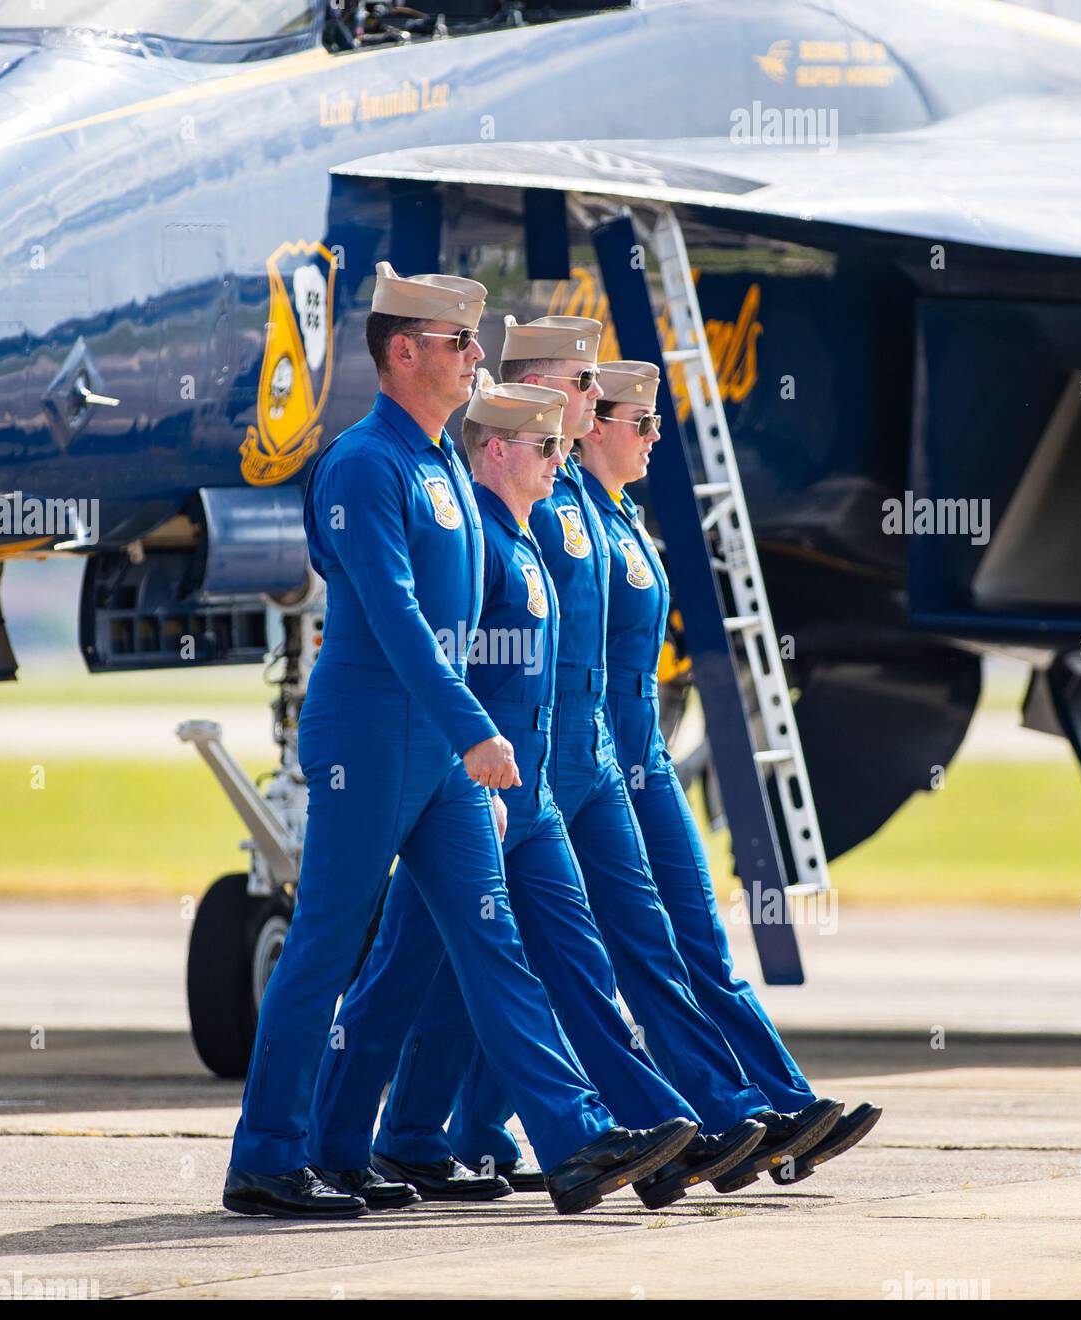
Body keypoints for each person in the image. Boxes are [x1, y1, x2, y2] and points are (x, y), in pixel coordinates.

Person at [319, 319, 841, 1211]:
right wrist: (469, 754)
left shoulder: (571, 514)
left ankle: (637, 1126)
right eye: (586, 386)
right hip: (494, 770)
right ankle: (359, 1140)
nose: (603, 406)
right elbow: (444, 643)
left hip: (578, 761)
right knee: (418, 966)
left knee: (553, 959)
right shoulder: (492, 514)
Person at [222, 266, 694, 1221]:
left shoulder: (440, 462)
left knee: (491, 939)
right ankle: (269, 1156)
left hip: (439, 751)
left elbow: (466, 621)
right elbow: (395, 616)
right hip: (371, 735)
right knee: (327, 943)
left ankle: (572, 1140)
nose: (479, 357)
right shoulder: (364, 464)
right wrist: (477, 729)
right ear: (405, 351)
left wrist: (478, 730)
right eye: (460, 344)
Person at [575, 359, 882, 1190]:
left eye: (655, 424)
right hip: (591, 756)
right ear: (592, 424)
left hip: (642, 753)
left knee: (696, 940)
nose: (653, 438)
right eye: (638, 424)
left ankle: (776, 1105)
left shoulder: (621, 518)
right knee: (624, 953)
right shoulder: (566, 517)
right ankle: (719, 1112)